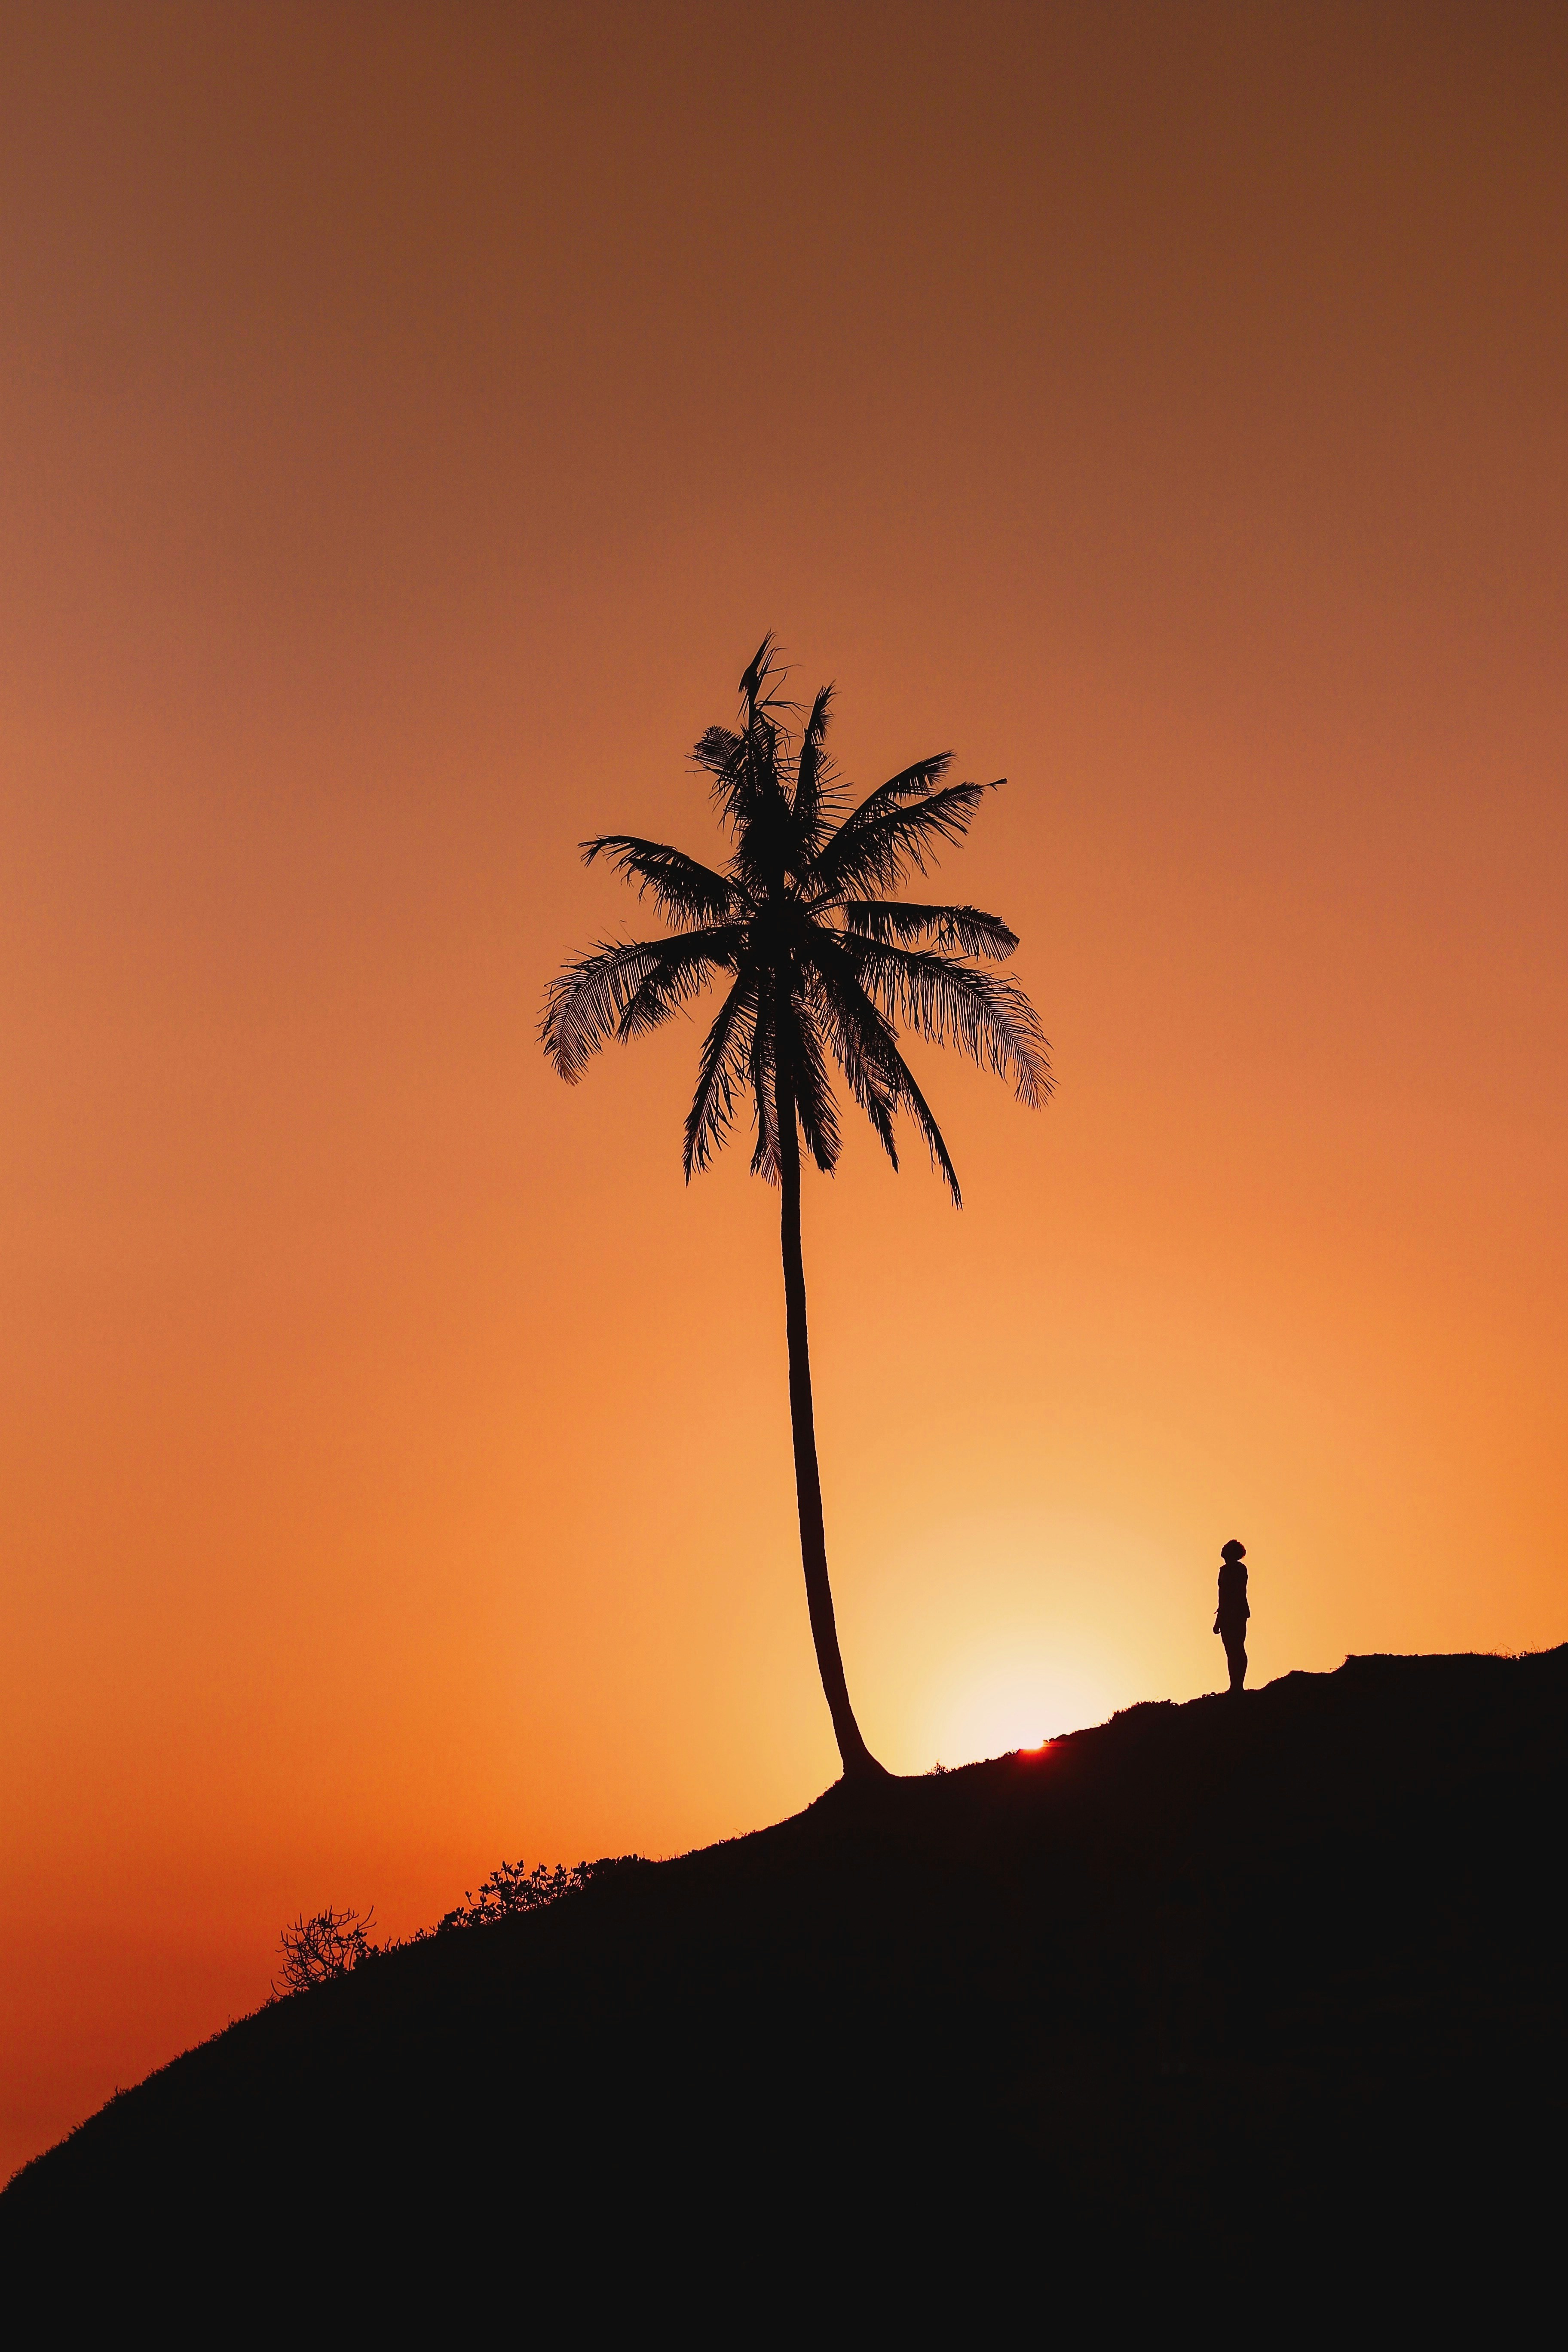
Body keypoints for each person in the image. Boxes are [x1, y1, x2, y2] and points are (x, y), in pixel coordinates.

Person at [1213, 1539, 1249, 1694]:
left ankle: (1238, 1686)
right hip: (1230, 1613)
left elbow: (1231, 1595)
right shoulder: (1227, 1570)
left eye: (1226, 1548)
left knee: (1237, 1649)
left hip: (1235, 1613)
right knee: (1231, 1650)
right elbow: (1223, 1597)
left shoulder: (1236, 1570)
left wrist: (1221, 1619)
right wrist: (1220, 1618)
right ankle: (1235, 1686)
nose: (1222, 1550)